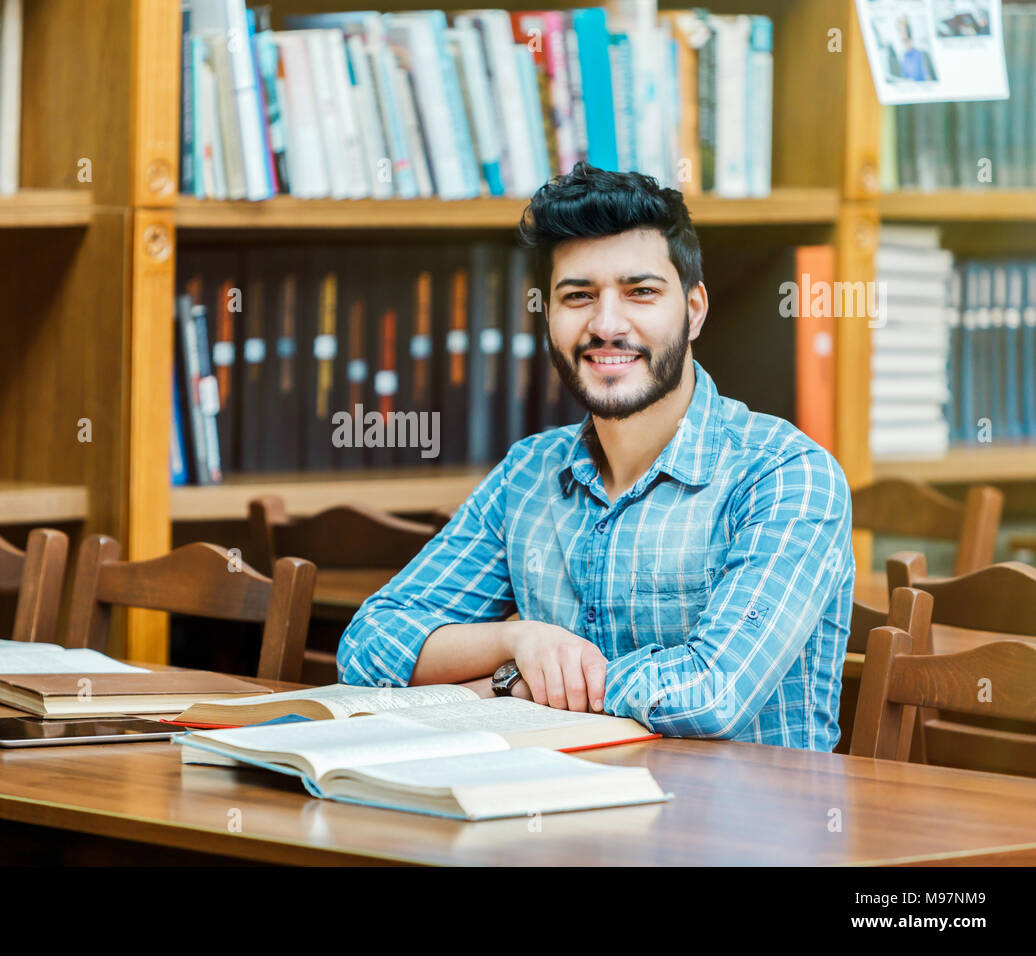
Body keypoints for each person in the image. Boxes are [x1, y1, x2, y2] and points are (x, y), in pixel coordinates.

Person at [337, 165, 855, 752]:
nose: (607, 325)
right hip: (564, 815)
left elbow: (713, 693)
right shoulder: (528, 475)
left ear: (695, 309)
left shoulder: (786, 476)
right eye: (578, 296)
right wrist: (520, 645)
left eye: (641, 292)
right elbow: (369, 644)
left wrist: (512, 688)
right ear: (549, 317)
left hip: (740, 831)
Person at [891, 16, 938, 81]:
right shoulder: (903, 55)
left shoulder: (921, 53)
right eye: (898, 30)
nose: (900, 33)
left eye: (902, 29)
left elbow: (929, 76)